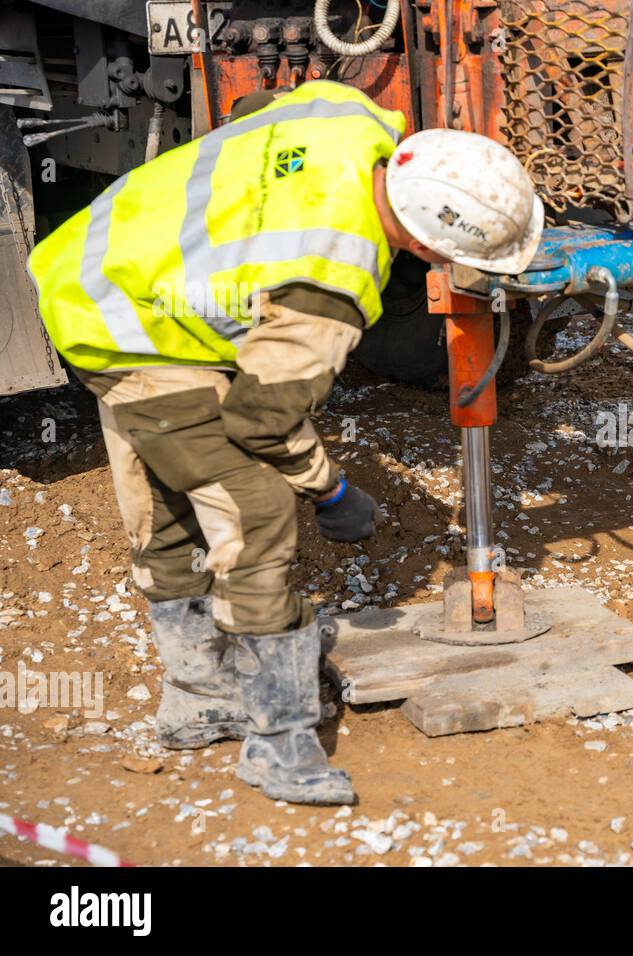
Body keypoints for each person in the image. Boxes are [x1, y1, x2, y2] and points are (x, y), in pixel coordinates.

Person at [27, 80, 544, 803]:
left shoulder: (348, 115)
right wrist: (332, 491)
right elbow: (260, 421)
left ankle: (197, 694)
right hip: (133, 326)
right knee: (257, 505)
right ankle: (279, 744)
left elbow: (249, 110)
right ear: (427, 244)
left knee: (167, 497)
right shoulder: (330, 284)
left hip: (101, 258)